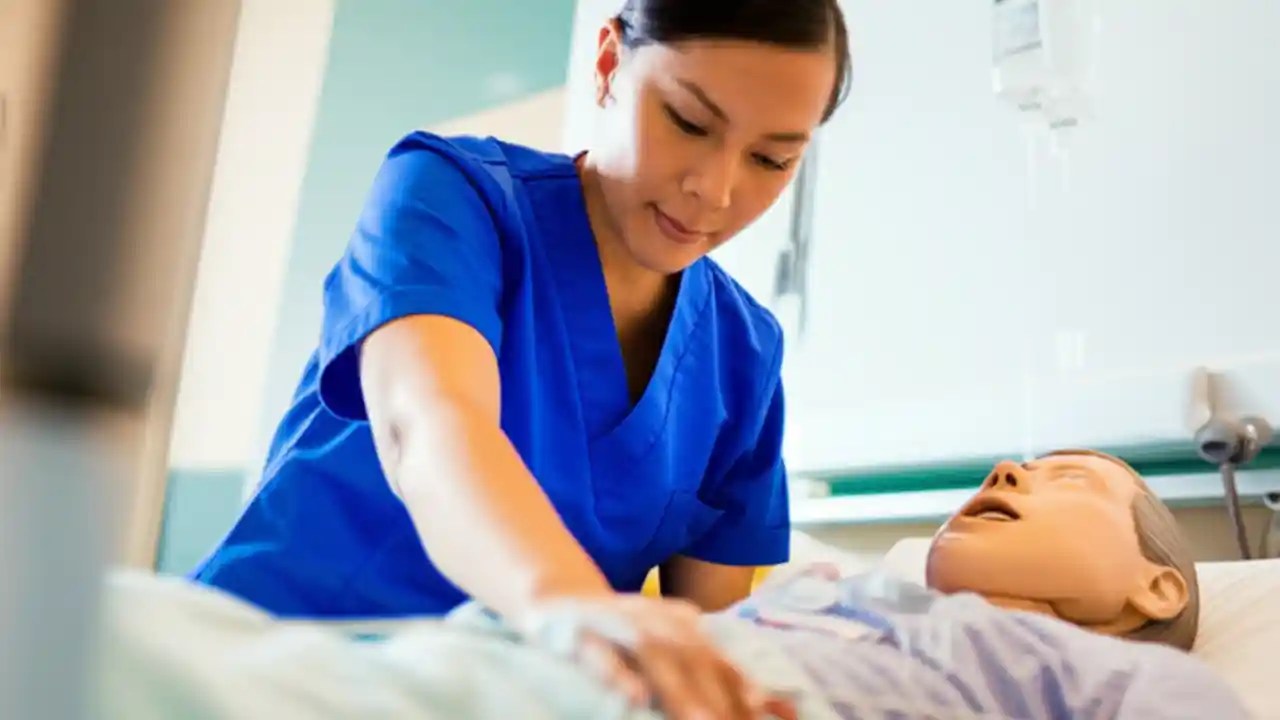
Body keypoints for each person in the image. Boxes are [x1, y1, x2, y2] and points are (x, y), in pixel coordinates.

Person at [192, 1, 852, 717]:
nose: (714, 190)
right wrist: (567, 604)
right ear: (610, 64)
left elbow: (706, 646)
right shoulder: (452, 195)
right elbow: (430, 425)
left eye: (771, 160)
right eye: (689, 122)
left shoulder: (744, 355)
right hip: (268, 667)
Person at [102, 450, 1245, 718]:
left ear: (1152, 592)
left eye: (1067, 479)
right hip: (527, 657)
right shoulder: (846, 589)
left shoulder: (1061, 666)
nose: (1006, 473)